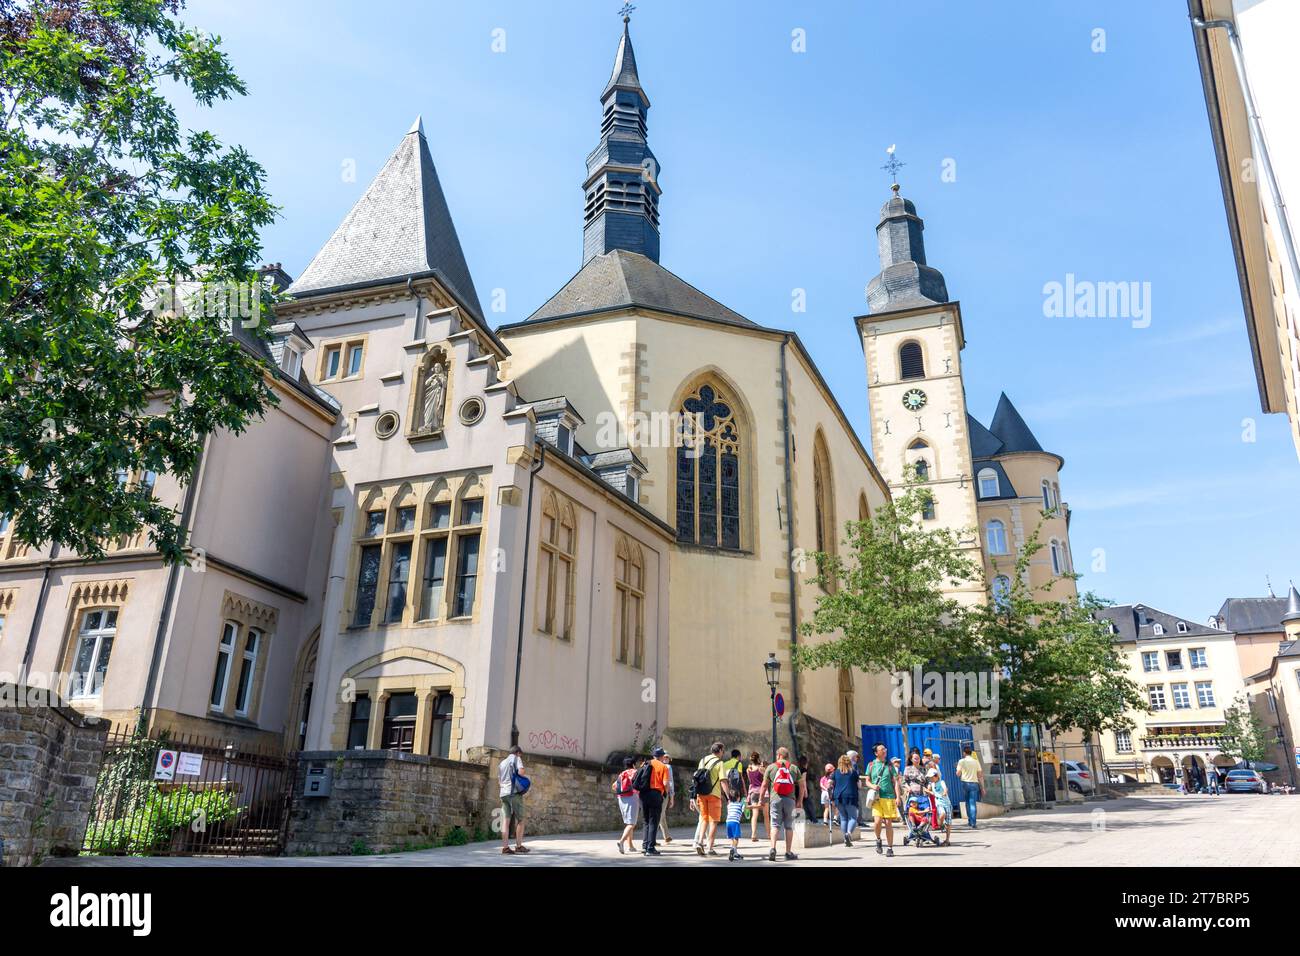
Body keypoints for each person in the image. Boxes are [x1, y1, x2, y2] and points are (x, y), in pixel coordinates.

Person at [761, 746, 805, 861]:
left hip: (775, 799)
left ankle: (773, 849)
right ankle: (788, 852)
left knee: (775, 825)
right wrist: (799, 801)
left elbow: (764, 785)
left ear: (779, 755)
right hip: (790, 800)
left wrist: (761, 799)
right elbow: (802, 786)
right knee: (788, 826)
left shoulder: (771, 767)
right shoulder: (794, 768)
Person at [865, 742, 902, 857]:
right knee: (877, 822)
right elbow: (867, 780)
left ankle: (890, 848)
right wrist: (872, 786)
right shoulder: (871, 765)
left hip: (889, 797)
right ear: (876, 753)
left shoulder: (890, 765)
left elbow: (896, 782)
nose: (884, 750)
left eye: (885, 749)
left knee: (888, 823)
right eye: (882, 749)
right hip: (876, 798)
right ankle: (878, 839)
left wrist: (898, 796)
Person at [694, 742, 726, 857]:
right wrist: (728, 796)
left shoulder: (702, 760)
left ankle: (700, 842)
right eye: (723, 751)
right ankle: (710, 848)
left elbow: (697, 778)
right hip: (714, 795)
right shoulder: (720, 763)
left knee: (704, 819)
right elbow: (723, 780)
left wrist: (696, 794)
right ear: (720, 750)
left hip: (701, 794)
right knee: (713, 821)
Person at [498, 745, 528, 855]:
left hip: (503, 793)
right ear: (517, 753)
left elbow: (499, 781)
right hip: (513, 792)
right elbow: (521, 772)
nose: (520, 756)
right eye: (520, 754)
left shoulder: (501, 763)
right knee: (521, 819)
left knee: (506, 821)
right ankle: (519, 846)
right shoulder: (516, 759)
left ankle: (505, 848)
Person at [641, 747, 670, 856]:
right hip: (656, 794)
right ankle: (650, 848)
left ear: (653, 756)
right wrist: (665, 794)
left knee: (646, 821)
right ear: (662, 756)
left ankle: (645, 845)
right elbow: (666, 783)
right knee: (654, 821)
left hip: (643, 794)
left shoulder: (645, 764)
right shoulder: (663, 767)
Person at [612, 755, 641, 854]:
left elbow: (614, 786)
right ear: (633, 764)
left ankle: (631, 846)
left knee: (628, 822)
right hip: (632, 798)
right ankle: (621, 842)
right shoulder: (636, 772)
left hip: (621, 798)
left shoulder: (622, 773)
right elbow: (641, 785)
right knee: (631, 823)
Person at [722, 754, 748, 862]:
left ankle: (735, 851)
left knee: (732, 838)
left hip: (728, 822)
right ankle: (733, 849)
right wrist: (745, 800)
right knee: (736, 838)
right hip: (735, 823)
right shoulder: (739, 804)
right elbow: (745, 809)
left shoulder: (729, 805)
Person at [832, 754, 861, 847]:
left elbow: (829, 783)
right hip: (851, 796)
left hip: (839, 797)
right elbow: (859, 785)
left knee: (843, 818)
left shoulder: (836, 772)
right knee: (853, 817)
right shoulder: (853, 772)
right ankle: (848, 833)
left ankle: (845, 838)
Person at [955, 744, 985, 830]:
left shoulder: (961, 761)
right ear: (971, 753)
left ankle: (969, 820)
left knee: (967, 802)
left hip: (965, 783)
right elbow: (979, 775)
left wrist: (957, 769)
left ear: (964, 753)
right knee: (973, 803)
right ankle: (974, 822)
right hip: (974, 783)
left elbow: (958, 774)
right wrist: (982, 787)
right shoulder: (976, 761)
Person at [927, 766, 952, 845]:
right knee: (942, 813)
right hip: (939, 803)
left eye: (931, 777)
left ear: (936, 776)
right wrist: (927, 790)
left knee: (948, 823)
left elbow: (945, 788)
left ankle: (947, 840)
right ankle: (940, 824)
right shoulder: (932, 784)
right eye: (929, 778)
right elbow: (934, 794)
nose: (930, 779)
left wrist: (945, 792)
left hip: (947, 803)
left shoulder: (941, 782)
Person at [746, 753, 767, 842]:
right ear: (758, 759)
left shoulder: (748, 769)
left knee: (755, 815)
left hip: (753, 792)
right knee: (766, 815)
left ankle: (753, 834)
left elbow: (751, 781)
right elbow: (767, 778)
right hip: (763, 792)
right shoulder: (761, 769)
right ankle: (769, 835)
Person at [656, 752, 676, 844]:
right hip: (664, 792)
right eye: (665, 757)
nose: (667, 759)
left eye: (668, 758)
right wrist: (672, 796)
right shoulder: (667, 767)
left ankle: (666, 836)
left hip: (654, 792)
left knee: (661, 814)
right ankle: (652, 837)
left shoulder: (655, 765)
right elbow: (670, 782)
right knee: (659, 815)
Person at [820, 763, 836, 829]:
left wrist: (824, 788)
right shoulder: (833, 777)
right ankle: (835, 819)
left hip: (824, 793)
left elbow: (821, 784)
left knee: (826, 808)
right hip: (830, 792)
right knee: (835, 806)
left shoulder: (823, 778)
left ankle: (825, 821)